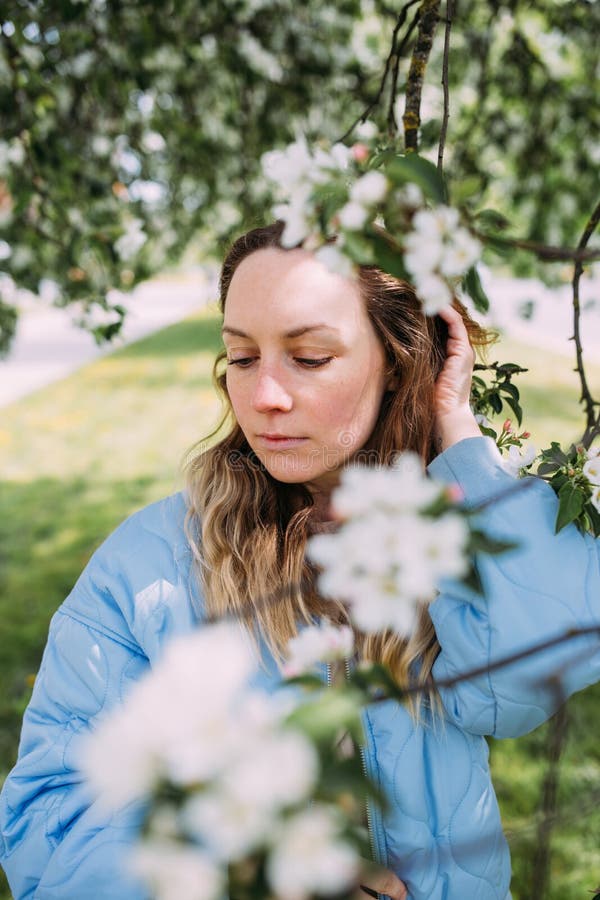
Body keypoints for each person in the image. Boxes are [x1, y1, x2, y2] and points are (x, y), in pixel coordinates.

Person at [1, 221, 599, 900]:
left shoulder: (441, 535)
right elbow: (47, 819)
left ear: (399, 361)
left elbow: (526, 676)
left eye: (310, 357)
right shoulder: (147, 572)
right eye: (243, 358)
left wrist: (457, 429)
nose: (264, 398)